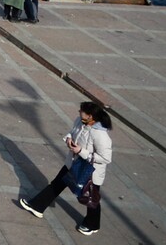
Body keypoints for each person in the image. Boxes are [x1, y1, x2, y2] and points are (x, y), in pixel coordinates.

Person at [18, 100, 114, 235]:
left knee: (90, 197)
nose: (79, 112)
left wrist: (81, 151)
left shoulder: (101, 135)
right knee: (57, 184)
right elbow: (72, 132)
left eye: (82, 111)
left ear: (90, 116)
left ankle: (92, 224)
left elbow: (105, 158)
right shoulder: (79, 121)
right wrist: (68, 139)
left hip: (90, 172)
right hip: (73, 163)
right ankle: (37, 206)